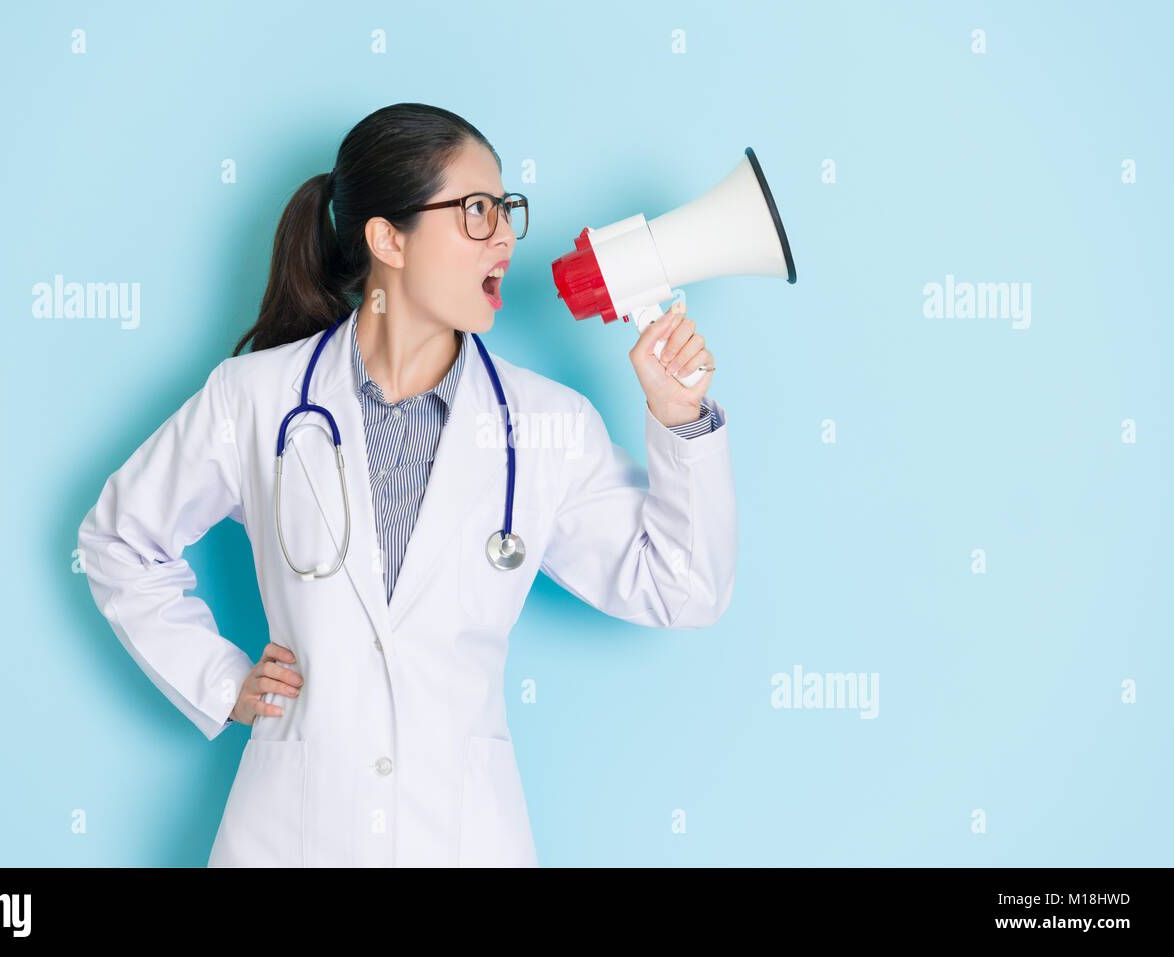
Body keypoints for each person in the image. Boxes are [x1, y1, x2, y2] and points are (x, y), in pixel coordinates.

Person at [76, 102, 737, 867]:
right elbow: (117, 537)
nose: (507, 238)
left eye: (507, 211)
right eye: (478, 212)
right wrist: (219, 680)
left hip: (463, 838)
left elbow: (683, 589)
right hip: (290, 837)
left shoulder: (548, 425)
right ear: (387, 237)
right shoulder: (255, 399)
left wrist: (679, 416)